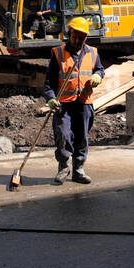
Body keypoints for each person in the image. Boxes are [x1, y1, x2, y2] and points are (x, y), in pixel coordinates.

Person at [39, 16, 105, 184]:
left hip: (84, 103)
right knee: (63, 134)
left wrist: (98, 75)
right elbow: (49, 82)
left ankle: (78, 169)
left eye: (81, 38)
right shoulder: (58, 53)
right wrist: (51, 99)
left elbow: (99, 69)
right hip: (64, 104)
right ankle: (63, 166)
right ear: (70, 34)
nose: (77, 40)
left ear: (86, 38)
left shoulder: (93, 52)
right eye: (75, 37)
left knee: (82, 136)